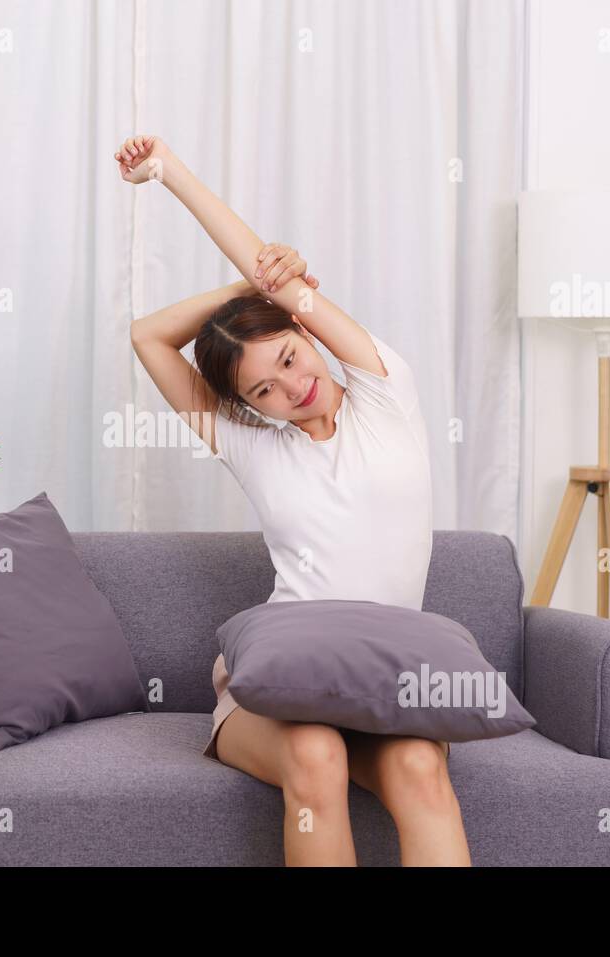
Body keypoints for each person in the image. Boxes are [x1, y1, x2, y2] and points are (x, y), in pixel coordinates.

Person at [119, 134, 469, 867]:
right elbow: (147, 336)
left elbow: (281, 290)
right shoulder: (255, 445)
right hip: (278, 687)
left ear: (303, 328)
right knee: (315, 755)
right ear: (248, 408)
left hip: (384, 679)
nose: (291, 386)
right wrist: (243, 296)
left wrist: (172, 171)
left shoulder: (385, 392)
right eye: (262, 391)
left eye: (287, 356)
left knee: (420, 769)